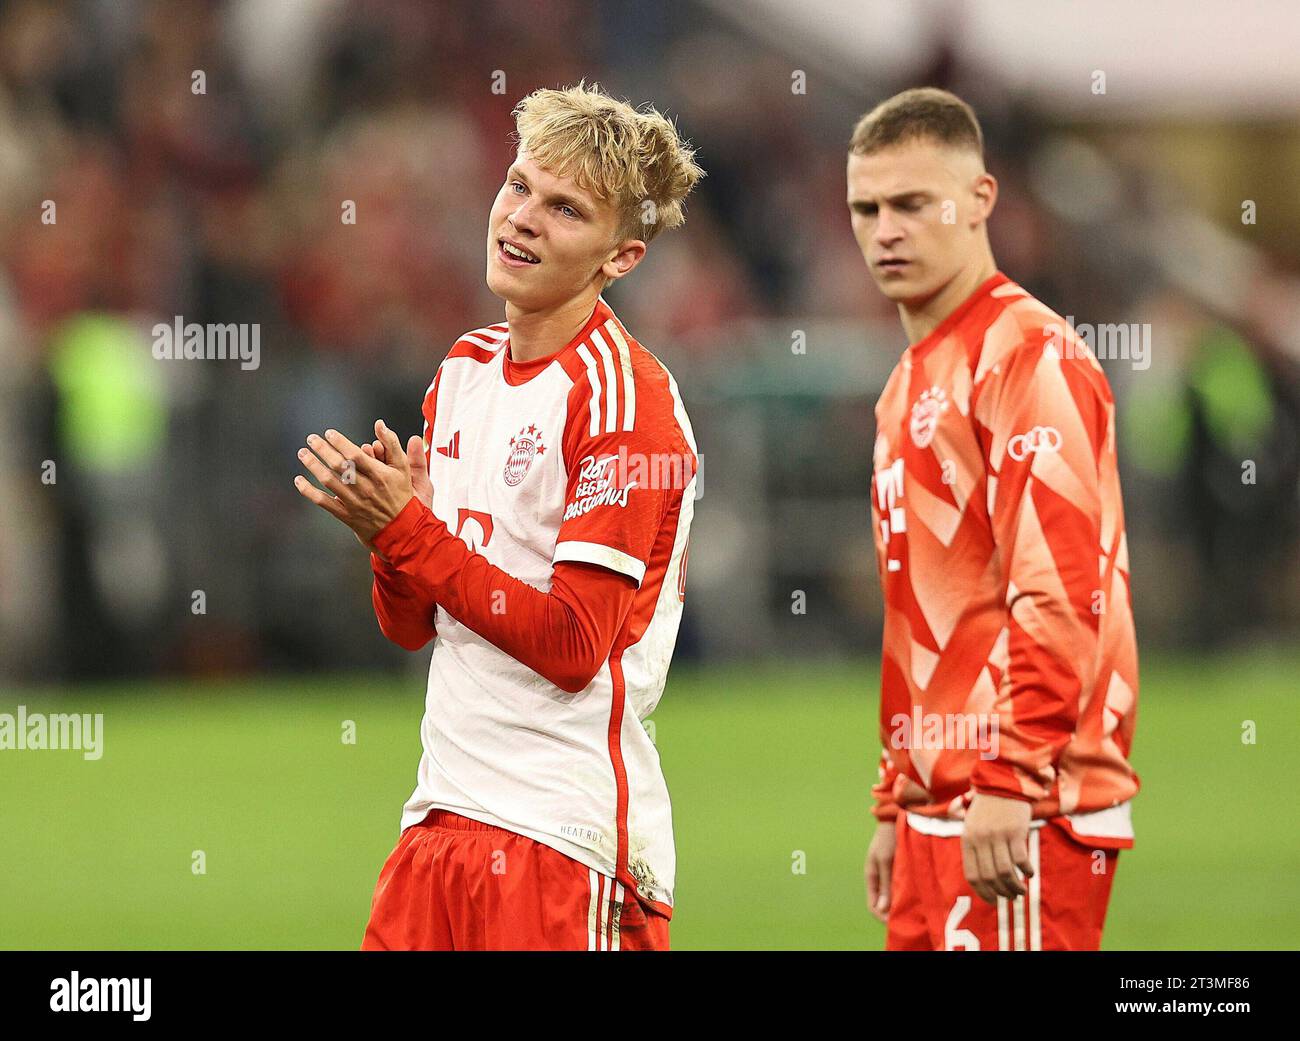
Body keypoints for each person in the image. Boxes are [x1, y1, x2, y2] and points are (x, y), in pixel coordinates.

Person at [294, 83, 703, 950]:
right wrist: (386, 539)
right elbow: (410, 626)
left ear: (619, 257)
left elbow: (570, 644)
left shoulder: (627, 405)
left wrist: (409, 532)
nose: (522, 217)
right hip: (437, 821)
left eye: (565, 208)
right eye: (518, 185)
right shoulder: (465, 371)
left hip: (561, 843)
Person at [846, 87, 1139, 951]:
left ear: (979, 201)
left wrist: (1011, 777)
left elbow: (1059, 590)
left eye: (910, 203)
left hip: (1025, 805)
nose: (884, 229)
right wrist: (897, 798)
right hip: (943, 805)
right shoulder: (908, 381)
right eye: (865, 208)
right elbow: (919, 620)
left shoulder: (1029, 356)